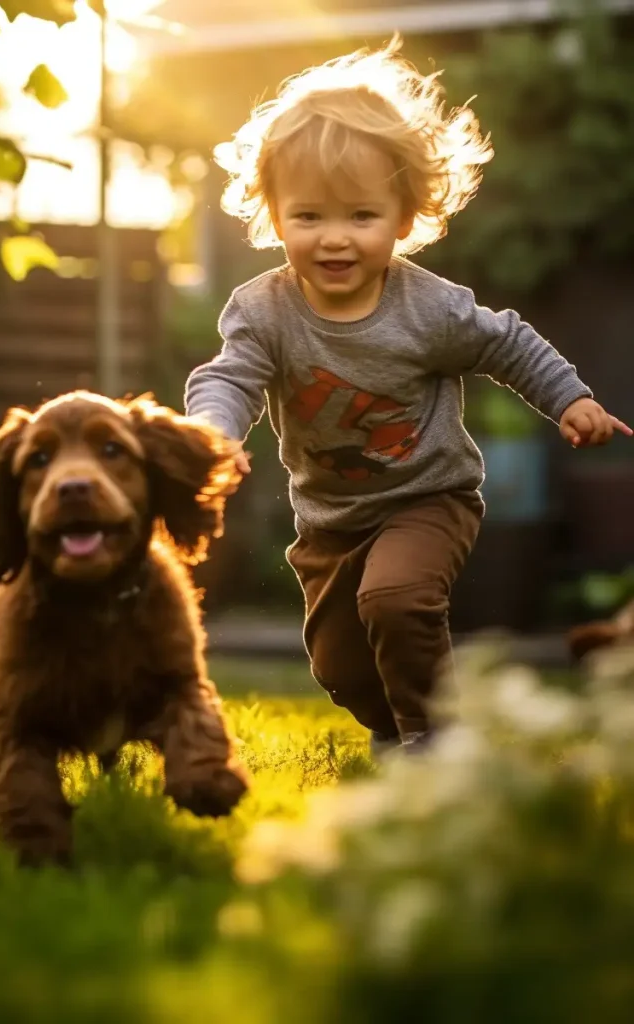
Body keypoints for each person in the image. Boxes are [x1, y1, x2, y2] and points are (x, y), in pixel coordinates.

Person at [184, 39, 632, 756]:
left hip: (428, 498)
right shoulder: (262, 310)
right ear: (272, 214)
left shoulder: (429, 309)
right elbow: (227, 376)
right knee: (338, 664)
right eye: (308, 218)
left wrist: (569, 398)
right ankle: (399, 732)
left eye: (359, 216)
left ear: (402, 215)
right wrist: (212, 431)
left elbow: (506, 343)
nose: (334, 239)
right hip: (331, 521)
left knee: (393, 601)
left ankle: (434, 740)